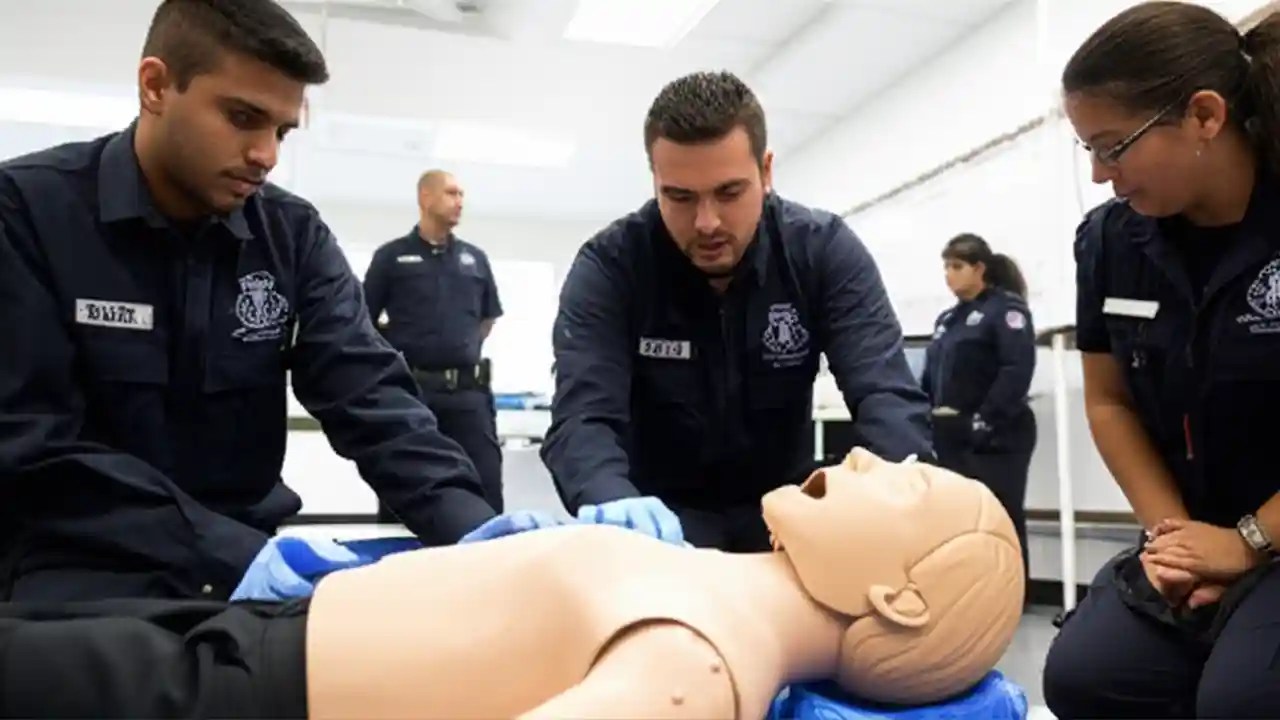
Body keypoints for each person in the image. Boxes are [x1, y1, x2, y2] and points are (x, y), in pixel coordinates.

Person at [0, 0, 556, 604]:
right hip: (76, 570)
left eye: (282, 131)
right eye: (243, 118)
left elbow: (366, 388)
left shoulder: (290, 235)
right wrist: (227, 553)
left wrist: (468, 523)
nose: (266, 154)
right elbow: (30, 444)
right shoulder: (26, 213)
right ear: (156, 85)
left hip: (250, 574)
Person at [0, 449, 1024, 720]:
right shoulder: (713, 590)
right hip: (250, 631)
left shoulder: (697, 674)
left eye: (909, 487)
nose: (870, 462)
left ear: (899, 599)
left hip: (242, 689)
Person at [541, 71, 934, 552]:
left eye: (729, 193)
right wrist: (611, 500)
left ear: (766, 172)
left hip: (786, 525)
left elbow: (886, 394)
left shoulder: (822, 251)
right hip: (660, 533)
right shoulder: (611, 267)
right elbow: (582, 419)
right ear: (655, 182)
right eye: (680, 197)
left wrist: (888, 493)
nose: (707, 222)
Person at [1041, 3, 1280, 717]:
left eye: (1114, 147)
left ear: (1204, 116)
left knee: (1245, 700)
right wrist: (1174, 543)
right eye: (1087, 148)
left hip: (1266, 530)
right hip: (1195, 528)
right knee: (1087, 677)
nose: (1099, 173)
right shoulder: (1112, 242)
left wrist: (1247, 543)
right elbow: (1109, 400)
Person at [363, 169, 505, 515]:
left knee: (485, 486)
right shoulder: (391, 257)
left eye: (461, 195)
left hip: (468, 395)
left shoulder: (475, 258)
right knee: (402, 484)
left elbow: (487, 320)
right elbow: (363, 319)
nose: (459, 202)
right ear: (425, 197)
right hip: (412, 393)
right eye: (451, 193)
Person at [923, 233, 1036, 582]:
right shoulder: (948, 320)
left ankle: (1011, 589)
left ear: (979, 268)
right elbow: (932, 376)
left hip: (996, 433)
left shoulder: (1005, 310)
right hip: (950, 433)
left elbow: (1016, 369)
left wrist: (985, 420)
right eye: (946, 267)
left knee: (999, 516)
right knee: (957, 519)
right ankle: (968, 591)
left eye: (956, 266)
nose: (948, 275)